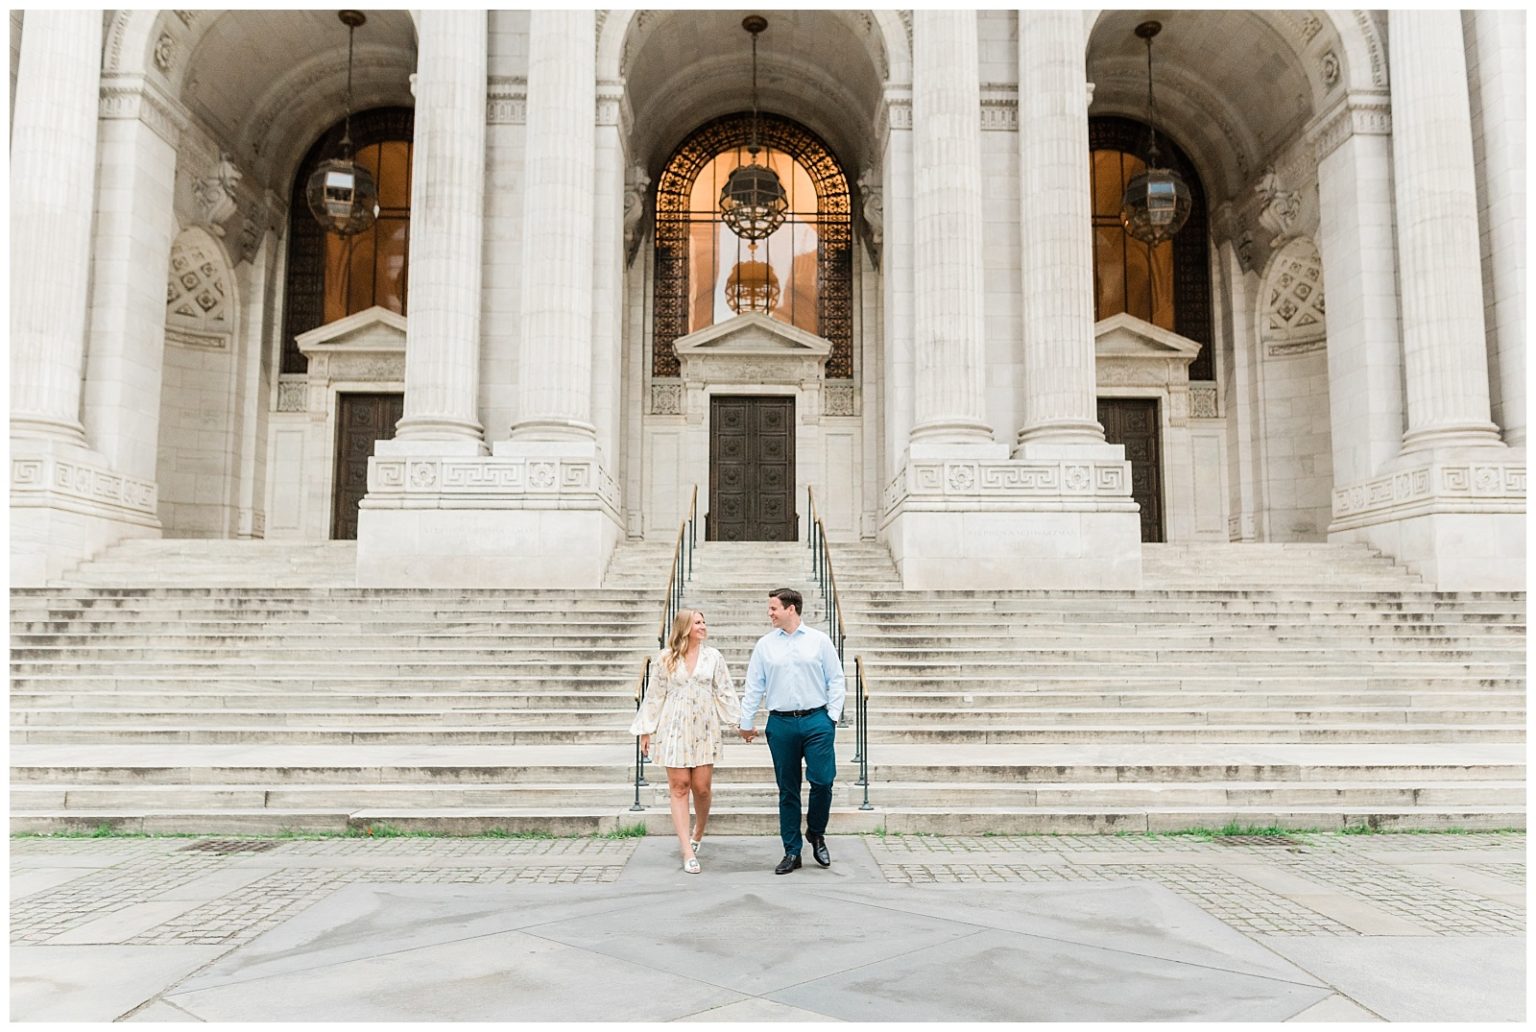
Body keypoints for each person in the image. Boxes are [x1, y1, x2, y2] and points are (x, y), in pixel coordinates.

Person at [738, 587, 845, 874]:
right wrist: (745, 722)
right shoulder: (765, 645)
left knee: (823, 781)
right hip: (781, 723)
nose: (769, 613)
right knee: (788, 790)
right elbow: (754, 686)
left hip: (817, 721)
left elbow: (836, 679)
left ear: (791, 609)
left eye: (773, 608)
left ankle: (816, 832)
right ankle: (792, 851)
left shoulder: (819, 641)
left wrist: (831, 718)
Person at [630, 608, 739, 874]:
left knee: (701, 788)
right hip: (674, 726)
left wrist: (739, 722)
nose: (703, 626)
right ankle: (686, 850)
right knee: (679, 786)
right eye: (698, 622)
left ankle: (698, 831)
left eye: (704, 621)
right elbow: (655, 695)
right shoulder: (666, 658)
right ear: (685, 628)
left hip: (703, 726)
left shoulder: (713, 657)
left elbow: (724, 691)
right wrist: (647, 730)